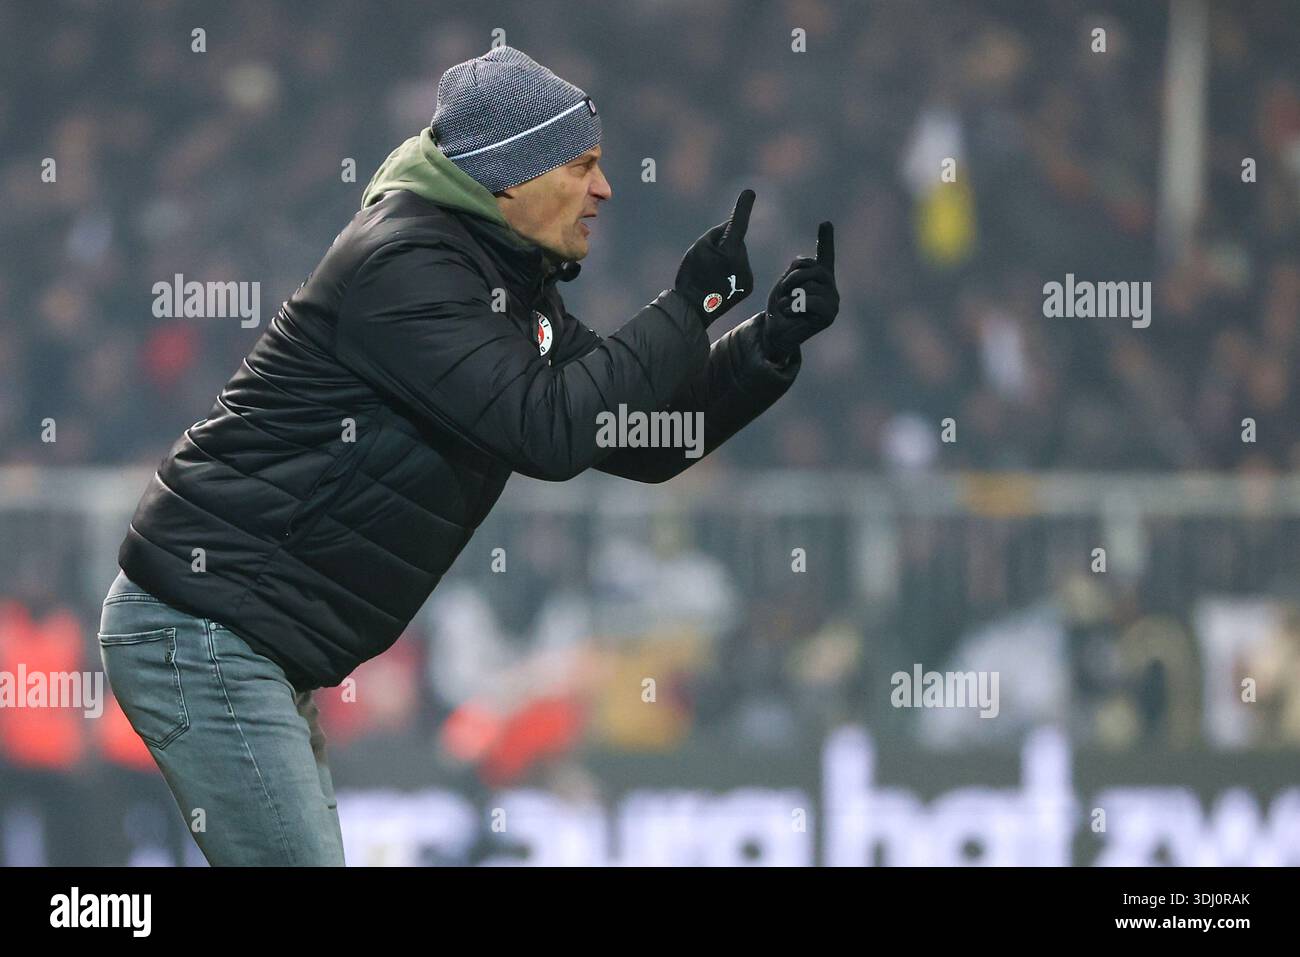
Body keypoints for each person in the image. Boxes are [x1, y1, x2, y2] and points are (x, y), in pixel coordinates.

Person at [97, 44, 840, 865]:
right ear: (511, 176)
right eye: (583, 165)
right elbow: (549, 432)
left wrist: (765, 343)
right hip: (201, 627)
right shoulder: (405, 265)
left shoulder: (501, 281)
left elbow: (641, 439)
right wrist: (685, 303)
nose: (604, 188)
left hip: (247, 638)